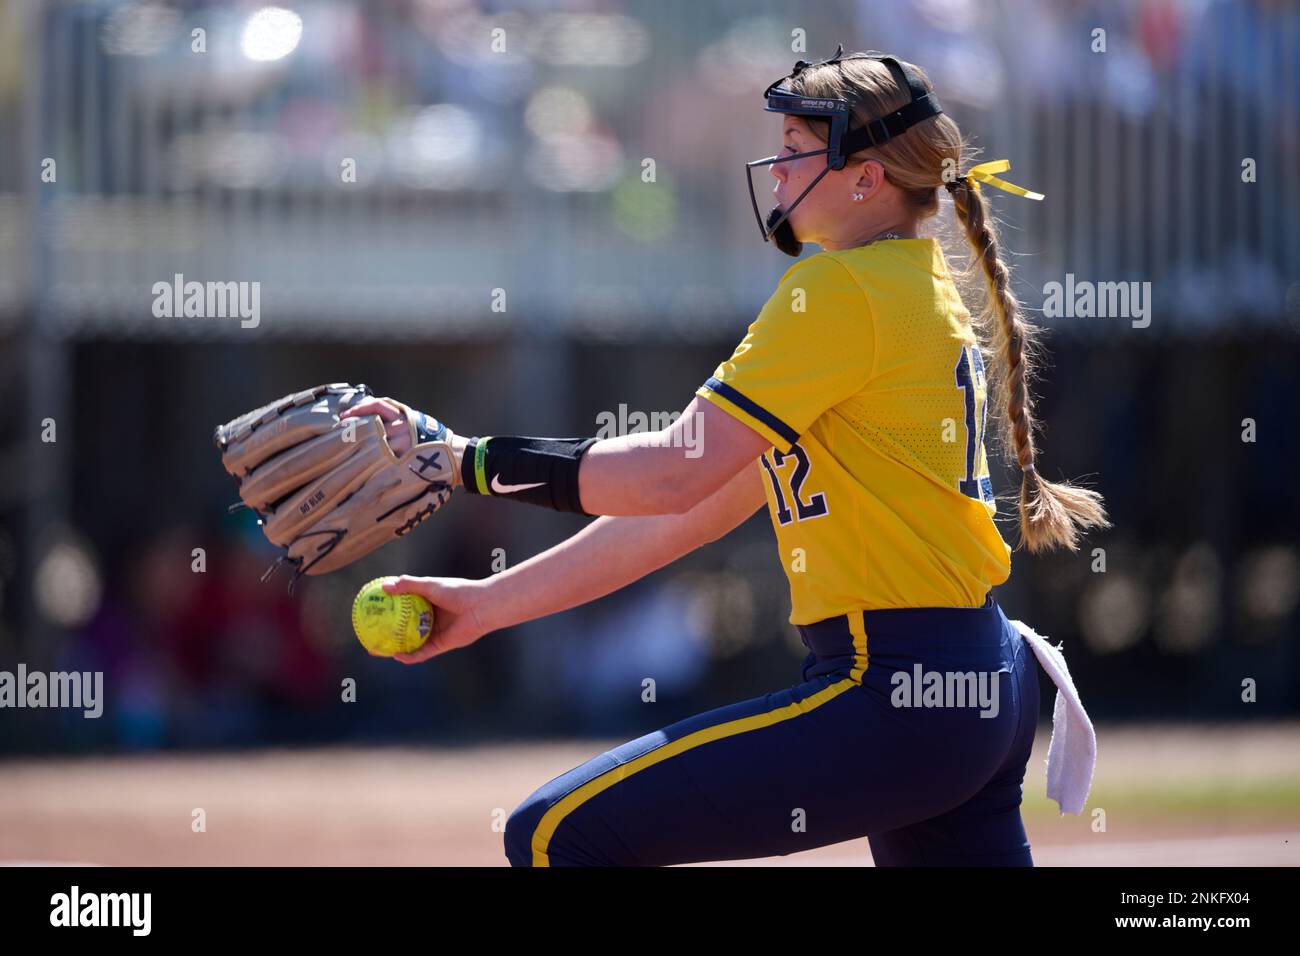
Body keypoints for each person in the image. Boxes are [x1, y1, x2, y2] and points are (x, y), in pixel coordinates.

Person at [342, 48, 1107, 866]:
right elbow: (687, 507)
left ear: (866, 178)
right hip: (975, 689)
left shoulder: (840, 293)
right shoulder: (908, 281)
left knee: (560, 833)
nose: (774, 167)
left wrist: (467, 462)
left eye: (795, 145)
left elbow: (675, 468)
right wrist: (491, 604)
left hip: (892, 693)